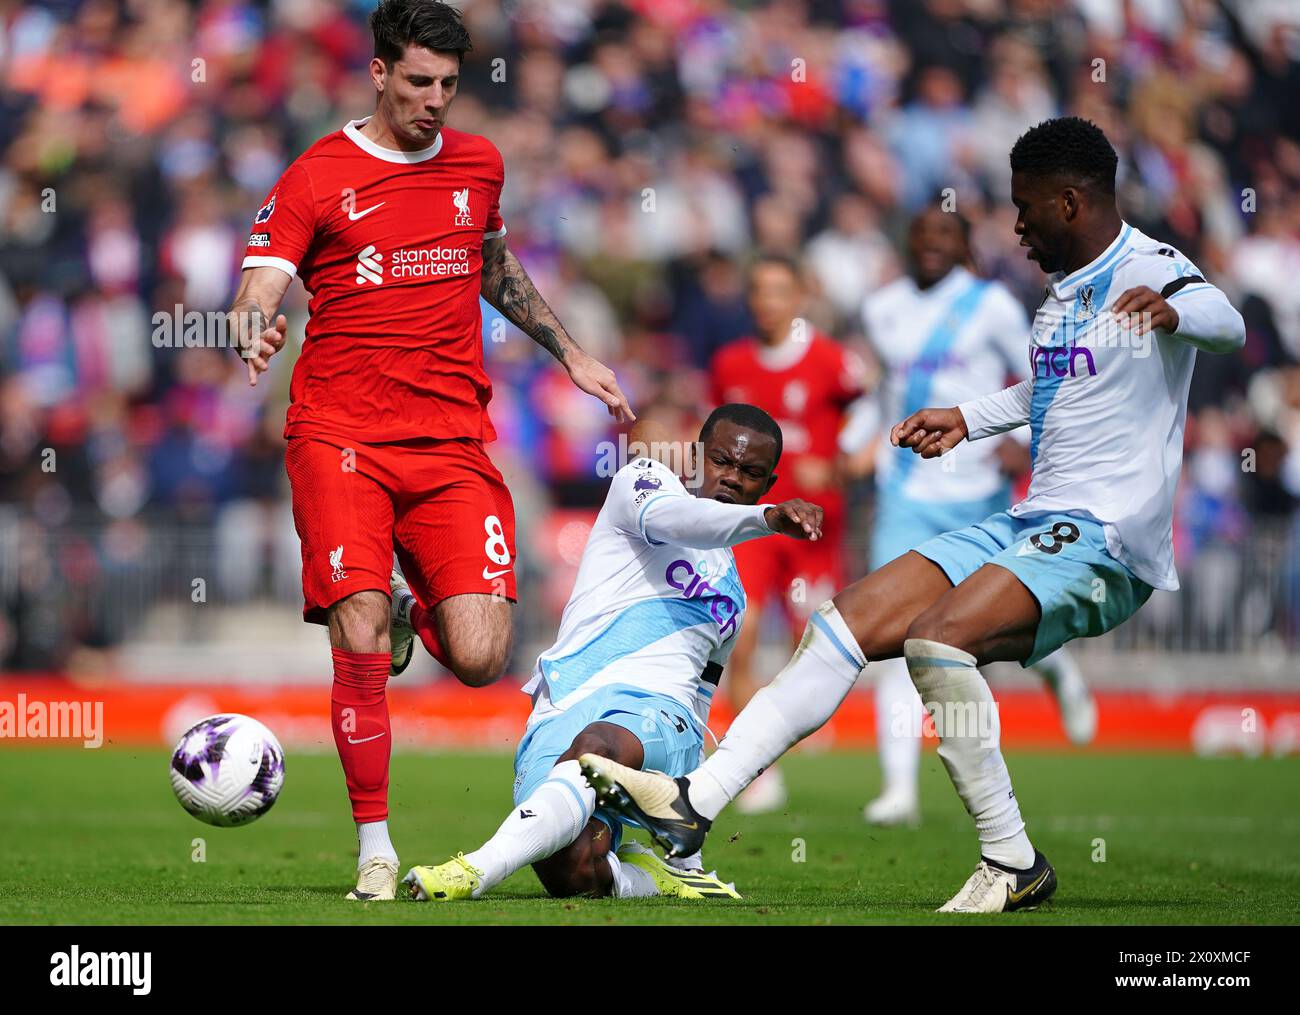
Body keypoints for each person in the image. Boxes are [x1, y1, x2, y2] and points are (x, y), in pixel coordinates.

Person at [578, 117, 1246, 913]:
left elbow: (1227, 321)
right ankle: (695, 803)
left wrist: (1174, 313)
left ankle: (1011, 858)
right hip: (1033, 519)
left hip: (1105, 537)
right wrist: (968, 417)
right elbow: (1055, 390)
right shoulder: (1062, 294)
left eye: (1026, 207)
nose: (1017, 225)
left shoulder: (1151, 266)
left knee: (938, 639)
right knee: (844, 622)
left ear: (1070, 201)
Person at [225, 0, 632, 902]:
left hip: (451, 441)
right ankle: (375, 846)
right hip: (340, 437)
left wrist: (570, 353)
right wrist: (253, 327)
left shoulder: (479, 163)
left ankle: (413, 612)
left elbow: (491, 264)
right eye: (418, 81)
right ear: (378, 73)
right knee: (359, 627)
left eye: (448, 83)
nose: (435, 100)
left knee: (483, 656)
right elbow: (258, 285)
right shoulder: (316, 174)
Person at [402, 405, 824, 900]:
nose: (732, 478)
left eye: (750, 472)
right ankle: (647, 879)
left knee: (595, 749)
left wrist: (687, 835)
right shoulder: (640, 483)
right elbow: (682, 520)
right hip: (564, 706)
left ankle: (473, 871)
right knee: (571, 869)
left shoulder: (733, 593)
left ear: (768, 483)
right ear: (694, 456)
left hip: (661, 719)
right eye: (720, 461)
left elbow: (702, 697)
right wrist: (766, 518)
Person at [847, 202, 1094, 828]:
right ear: (907, 241)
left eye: (944, 233)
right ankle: (898, 789)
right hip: (904, 493)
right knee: (896, 634)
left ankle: (1058, 670)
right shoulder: (881, 308)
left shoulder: (992, 306)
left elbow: (1045, 380)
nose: (931, 242)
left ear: (964, 246)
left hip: (981, 494)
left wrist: (1025, 443)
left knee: (991, 625)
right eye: (921, 233)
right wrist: (855, 440)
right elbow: (883, 392)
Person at [707, 254, 864, 813]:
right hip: (754, 525)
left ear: (799, 296)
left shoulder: (833, 360)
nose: (766, 301)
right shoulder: (730, 363)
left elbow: (876, 408)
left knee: (816, 649)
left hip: (813, 528)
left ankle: (778, 741)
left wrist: (845, 461)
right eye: (758, 290)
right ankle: (755, 770)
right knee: (739, 638)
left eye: (778, 290)